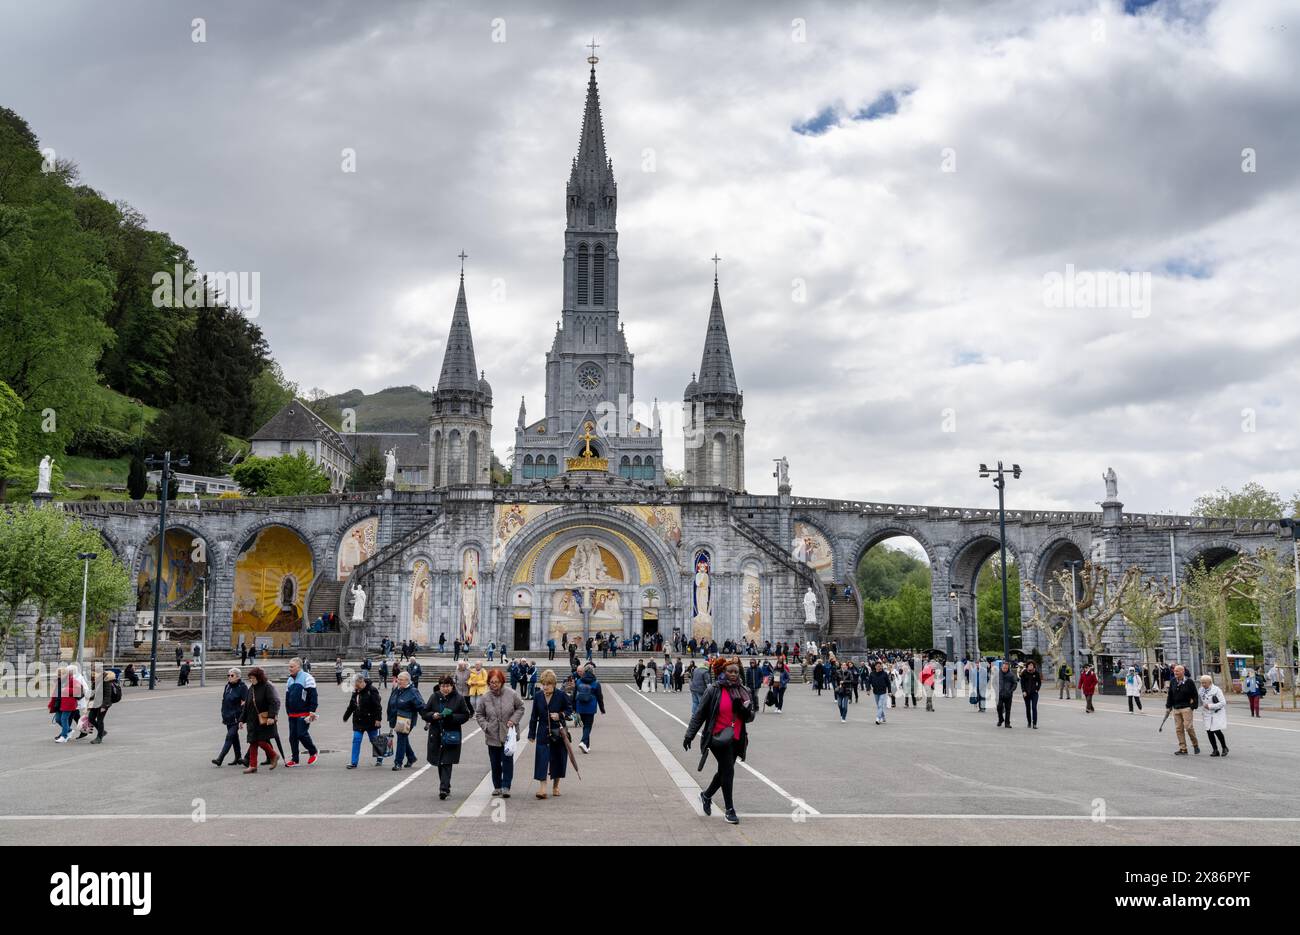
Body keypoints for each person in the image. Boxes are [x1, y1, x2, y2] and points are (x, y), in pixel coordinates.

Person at [683, 657, 755, 825]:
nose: (733, 674)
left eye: (736, 672)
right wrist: (689, 734)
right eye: (729, 671)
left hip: (737, 737)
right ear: (723, 672)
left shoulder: (744, 691)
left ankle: (706, 795)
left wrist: (744, 712)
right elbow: (699, 714)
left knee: (723, 771)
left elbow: (751, 717)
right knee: (728, 771)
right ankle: (729, 809)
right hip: (717, 737)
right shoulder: (713, 690)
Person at [421, 674, 473, 800]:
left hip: (451, 734)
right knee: (440, 761)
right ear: (439, 686)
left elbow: (466, 715)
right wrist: (433, 715)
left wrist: (451, 717)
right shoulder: (434, 697)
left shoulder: (459, 698)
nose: (445, 688)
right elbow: (424, 713)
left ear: (452, 686)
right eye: (443, 686)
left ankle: (443, 788)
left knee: (447, 761)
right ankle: (445, 785)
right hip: (436, 733)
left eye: (448, 686)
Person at [475, 668, 525, 797]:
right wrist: (486, 726)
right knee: (495, 762)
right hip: (492, 734)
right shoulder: (485, 697)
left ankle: (506, 786)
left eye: (496, 682)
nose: (494, 685)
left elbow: (520, 707)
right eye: (491, 682)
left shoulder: (512, 694)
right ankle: (497, 786)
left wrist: (513, 720)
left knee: (507, 761)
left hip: (508, 734)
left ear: (502, 682)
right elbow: (479, 714)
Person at [528, 669, 573, 799]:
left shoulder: (561, 695)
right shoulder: (538, 696)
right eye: (543, 684)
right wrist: (531, 734)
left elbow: (569, 709)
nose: (545, 687)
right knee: (542, 759)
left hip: (558, 732)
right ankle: (542, 789)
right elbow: (533, 716)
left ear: (554, 684)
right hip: (542, 731)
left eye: (548, 684)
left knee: (558, 758)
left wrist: (560, 715)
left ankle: (555, 786)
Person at [242, 667, 280, 773]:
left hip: (261, 719)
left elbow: (273, 702)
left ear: (259, 677)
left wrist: (271, 717)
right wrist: (241, 720)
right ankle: (253, 765)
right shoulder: (251, 688)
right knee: (252, 741)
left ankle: (273, 755)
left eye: (253, 678)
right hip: (251, 720)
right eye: (250, 678)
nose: (251, 680)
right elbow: (246, 706)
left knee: (260, 741)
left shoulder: (267, 687)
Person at [283, 657, 319, 767]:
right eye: (289, 666)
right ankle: (295, 759)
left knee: (301, 734)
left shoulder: (307, 678)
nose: (290, 668)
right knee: (292, 737)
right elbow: (287, 697)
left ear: (298, 667)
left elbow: (313, 696)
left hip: (304, 712)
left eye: (292, 666)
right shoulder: (289, 680)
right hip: (292, 713)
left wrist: (312, 711)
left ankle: (313, 751)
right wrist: (288, 711)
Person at [343, 673, 384, 768]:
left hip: (371, 720)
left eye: (356, 685)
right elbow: (351, 705)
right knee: (356, 740)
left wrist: (378, 719)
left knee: (374, 741)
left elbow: (378, 706)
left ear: (361, 682)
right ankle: (353, 762)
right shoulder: (356, 691)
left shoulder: (372, 690)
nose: (355, 687)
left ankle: (379, 758)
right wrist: (346, 716)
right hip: (358, 721)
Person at [386, 671, 425, 771]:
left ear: (408, 680)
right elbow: (391, 703)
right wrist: (390, 718)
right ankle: (411, 757)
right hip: (396, 718)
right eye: (398, 679)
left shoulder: (413, 691)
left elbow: (421, 705)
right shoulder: (396, 689)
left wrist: (427, 718)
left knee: (401, 738)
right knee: (403, 739)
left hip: (407, 719)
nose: (398, 681)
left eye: (401, 679)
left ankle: (398, 762)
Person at [213, 667, 248, 766]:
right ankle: (238, 757)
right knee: (234, 737)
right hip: (227, 716)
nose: (229, 677)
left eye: (232, 675)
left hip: (237, 717)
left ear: (238, 676)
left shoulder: (242, 687)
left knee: (229, 736)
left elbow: (246, 701)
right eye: (228, 675)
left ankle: (220, 758)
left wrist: (242, 716)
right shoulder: (227, 686)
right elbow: (225, 700)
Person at [1165, 664, 1200, 756]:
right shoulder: (1173, 681)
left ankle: (1195, 744)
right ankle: (1183, 748)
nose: (1175, 672)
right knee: (1179, 729)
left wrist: (1193, 706)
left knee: (1188, 727)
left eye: (1177, 671)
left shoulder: (1189, 682)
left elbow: (1195, 695)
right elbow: (1170, 695)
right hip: (1176, 708)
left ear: (1183, 672)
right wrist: (1168, 706)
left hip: (1186, 708)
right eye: (1174, 671)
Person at [573, 663, 606, 753]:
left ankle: (587, 746)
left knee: (585, 726)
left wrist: (573, 707)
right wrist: (602, 709)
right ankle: (583, 742)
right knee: (588, 726)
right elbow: (600, 697)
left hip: (580, 706)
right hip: (590, 707)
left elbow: (574, 695)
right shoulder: (596, 683)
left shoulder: (579, 681)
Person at [1198, 674, 1229, 757]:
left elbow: (1223, 703)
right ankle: (1215, 750)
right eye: (1202, 683)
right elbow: (1199, 701)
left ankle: (1224, 747)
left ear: (1210, 682)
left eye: (1205, 683)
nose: (1203, 684)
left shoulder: (1216, 690)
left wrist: (1210, 706)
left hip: (1216, 713)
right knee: (1209, 731)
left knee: (1216, 730)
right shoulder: (1201, 690)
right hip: (1206, 714)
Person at [995, 660, 1016, 728]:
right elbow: (993, 682)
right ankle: (1001, 719)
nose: (1005, 669)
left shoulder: (1011, 675)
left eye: (1006, 668)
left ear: (1008, 668)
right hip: (1000, 694)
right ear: (1001, 667)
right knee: (999, 707)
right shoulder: (998, 674)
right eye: (1004, 668)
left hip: (1008, 694)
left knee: (1008, 709)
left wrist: (1011, 691)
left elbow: (1015, 683)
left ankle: (1007, 723)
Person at [1020, 660, 1041, 728]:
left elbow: (1039, 682)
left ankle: (1034, 723)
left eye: (1031, 665)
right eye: (1029, 665)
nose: (1030, 666)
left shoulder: (1036, 673)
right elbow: (1022, 683)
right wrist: (1023, 691)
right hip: (1026, 693)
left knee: (1034, 707)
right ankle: (1029, 722)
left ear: (1033, 666)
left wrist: (1037, 689)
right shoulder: (1024, 673)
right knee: (1028, 708)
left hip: (1034, 693)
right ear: (1027, 666)